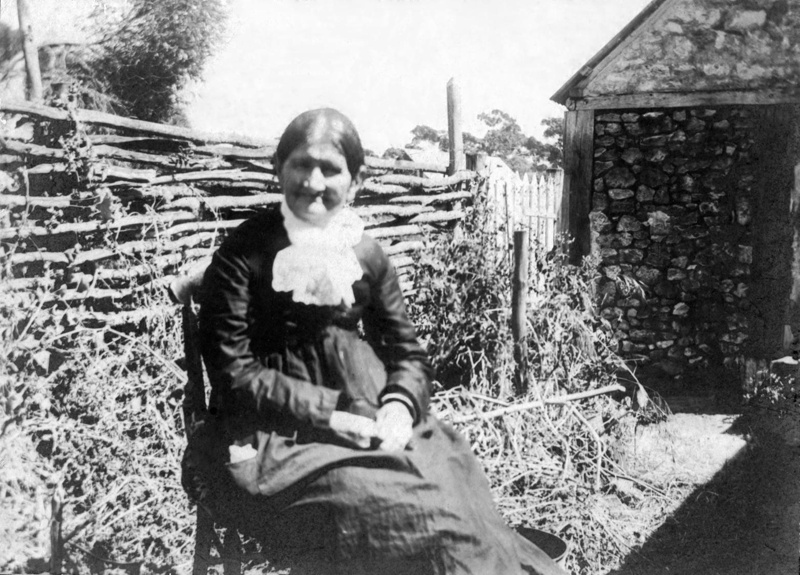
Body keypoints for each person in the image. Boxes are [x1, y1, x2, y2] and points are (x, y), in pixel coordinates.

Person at [187, 108, 567, 575]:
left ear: (356, 181)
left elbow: (405, 351)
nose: (313, 182)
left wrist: (400, 405)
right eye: (301, 165)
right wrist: (334, 414)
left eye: (331, 169)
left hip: (368, 417)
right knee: (391, 508)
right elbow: (234, 374)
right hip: (273, 434)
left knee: (454, 480)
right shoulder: (244, 253)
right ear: (277, 168)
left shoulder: (364, 253)